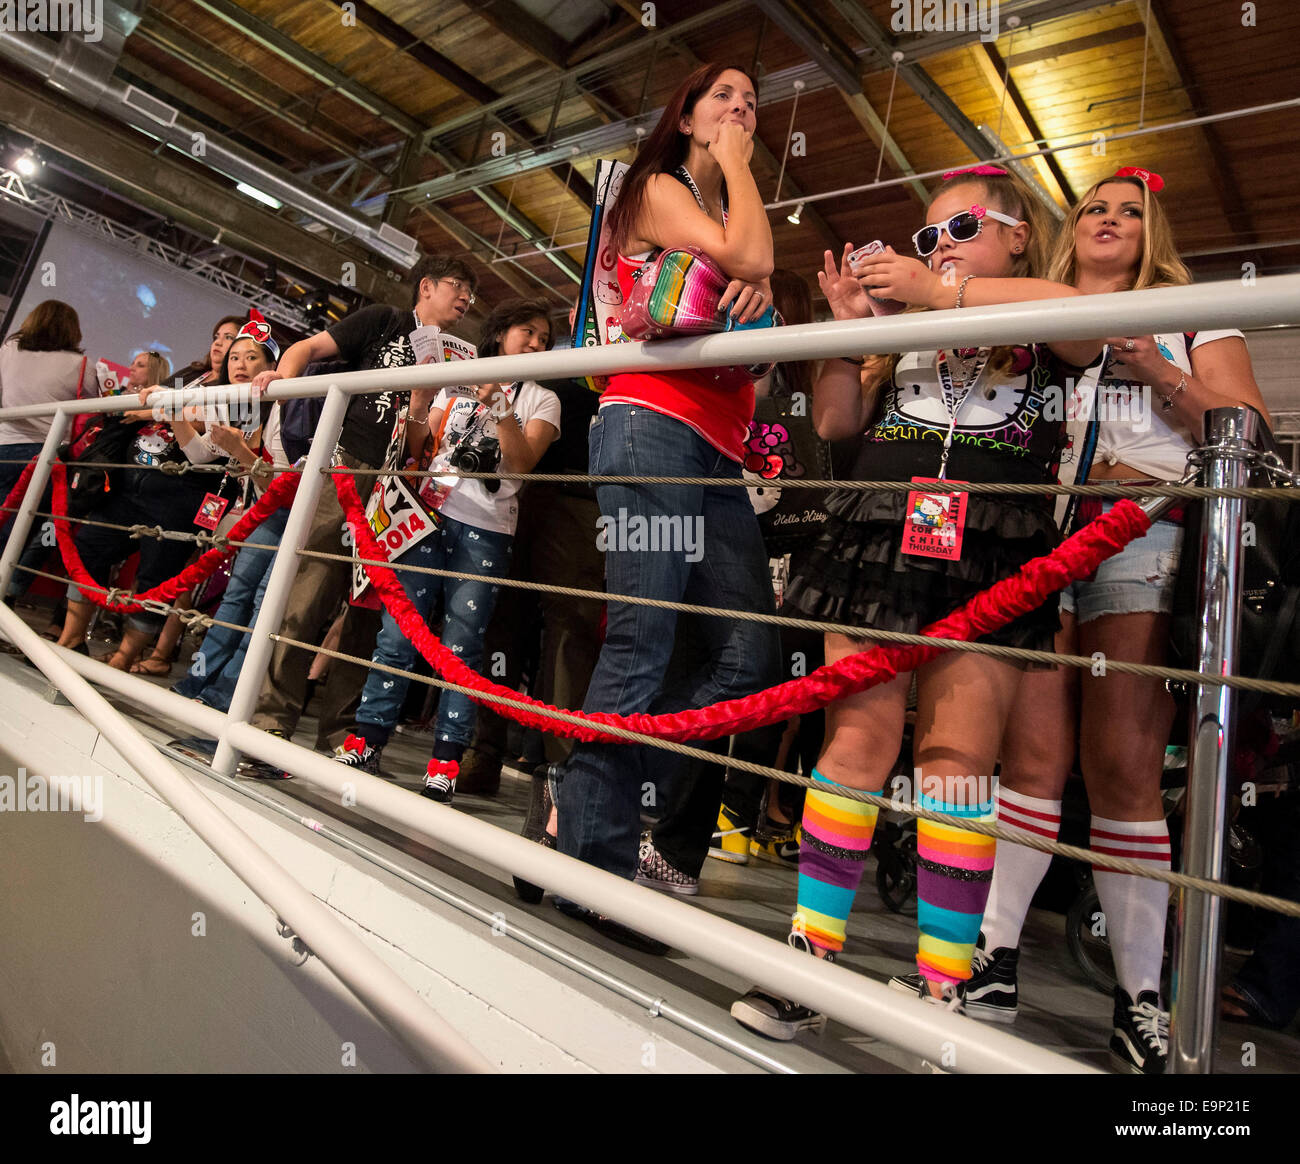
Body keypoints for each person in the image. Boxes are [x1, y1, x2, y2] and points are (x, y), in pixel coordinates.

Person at [868, 168, 1267, 1073]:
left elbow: (1249, 423)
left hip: (1143, 535)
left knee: (1123, 768)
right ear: (1067, 229)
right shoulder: (1039, 315)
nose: (1111, 219)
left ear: (1153, 231)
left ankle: (1141, 1000)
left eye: (1132, 210)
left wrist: (1160, 370)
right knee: (1032, 763)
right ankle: (992, 961)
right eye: (1094, 206)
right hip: (1034, 542)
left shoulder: (1194, 308)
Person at [731, 165, 1099, 1038]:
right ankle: (808, 960)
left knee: (957, 761)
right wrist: (846, 331)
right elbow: (832, 425)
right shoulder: (905, 328)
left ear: (1016, 234)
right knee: (854, 742)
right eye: (928, 237)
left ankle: (942, 993)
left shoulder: (1044, 310)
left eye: (961, 227)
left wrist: (940, 286)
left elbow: (1079, 328)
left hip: (992, 542)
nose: (939, 248)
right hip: (880, 525)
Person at [539, 62, 781, 924]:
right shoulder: (657, 188)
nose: (741, 109)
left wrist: (754, 274)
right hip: (648, 426)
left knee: (749, 657)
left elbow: (758, 283)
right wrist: (742, 169)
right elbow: (753, 258)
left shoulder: (718, 214)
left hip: (723, 451)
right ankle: (594, 868)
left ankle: (583, 793)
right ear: (684, 115)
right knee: (643, 640)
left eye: (752, 102)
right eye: (723, 96)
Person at [244, 255, 477, 772]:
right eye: (457, 286)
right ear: (427, 287)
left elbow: (421, 443)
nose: (465, 298)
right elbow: (309, 347)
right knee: (308, 596)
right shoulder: (384, 320)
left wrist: (422, 402)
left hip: (400, 485)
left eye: (471, 294)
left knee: (367, 612)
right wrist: (279, 380)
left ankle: (339, 735)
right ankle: (270, 723)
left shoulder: (461, 359)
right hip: (345, 467)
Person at [332, 299, 560, 800]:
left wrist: (499, 405)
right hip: (425, 515)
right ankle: (366, 740)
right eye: (529, 331)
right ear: (500, 332)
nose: (538, 343)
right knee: (397, 635)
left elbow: (520, 468)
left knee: (462, 647)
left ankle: (445, 762)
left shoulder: (543, 398)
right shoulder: (461, 375)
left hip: (488, 528)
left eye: (545, 338)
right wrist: (418, 404)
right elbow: (418, 449)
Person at [52, 349, 221, 671]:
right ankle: (71, 640)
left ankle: (123, 660)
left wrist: (151, 413)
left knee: (155, 580)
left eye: (233, 341)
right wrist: (154, 409)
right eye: (218, 337)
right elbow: (144, 400)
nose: (220, 346)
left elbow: (209, 421)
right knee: (87, 548)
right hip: (127, 488)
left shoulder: (244, 393)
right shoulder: (190, 373)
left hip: (179, 499)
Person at [152, 320, 289, 716]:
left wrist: (241, 452)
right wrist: (176, 412)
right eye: (234, 357)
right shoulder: (233, 402)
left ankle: (225, 695)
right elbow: (198, 454)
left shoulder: (282, 405)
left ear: (270, 365)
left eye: (251, 357)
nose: (240, 365)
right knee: (236, 598)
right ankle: (198, 683)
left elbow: (285, 487)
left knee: (263, 606)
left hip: (288, 518)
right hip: (259, 515)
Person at [0, 300, 91, 500]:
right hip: (48, 455)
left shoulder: (10, 348)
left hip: (5, 443)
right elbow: (95, 409)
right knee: (17, 525)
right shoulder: (82, 365)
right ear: (72, 330)